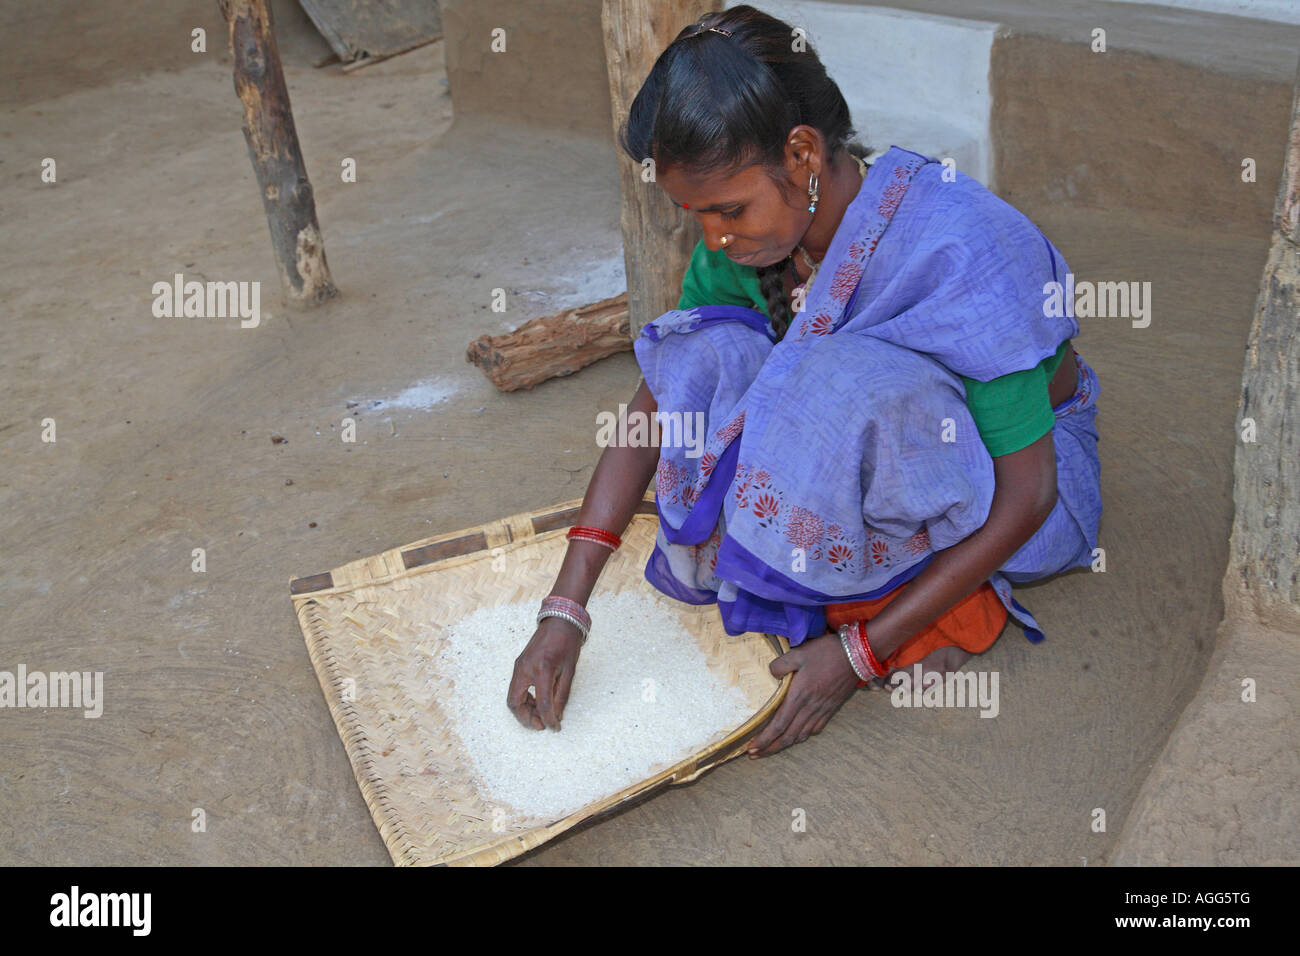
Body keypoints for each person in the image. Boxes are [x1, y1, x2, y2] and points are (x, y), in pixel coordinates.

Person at [507, 5, 1101, 758]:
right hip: (890, 465)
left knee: (830, 384)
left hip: (1012, 489)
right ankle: (856, 589)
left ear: (802, 151)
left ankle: (936, 615)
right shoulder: (741, 246)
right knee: (703, 349)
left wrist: (856, 659)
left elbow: (1030, 495)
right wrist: (566, 609)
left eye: (727, 209)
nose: (714, 236)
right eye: (695, 215)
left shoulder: (959, 250)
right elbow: (662, 406)